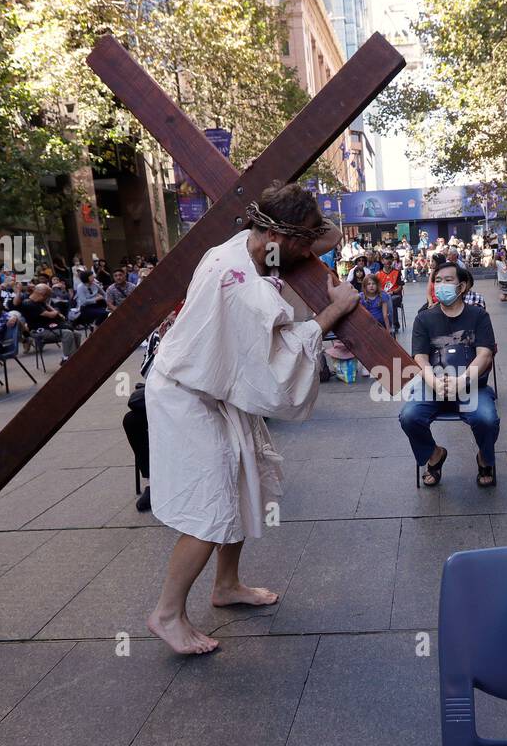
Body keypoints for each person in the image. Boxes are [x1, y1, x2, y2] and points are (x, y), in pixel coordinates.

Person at [145, 181, 352, 654]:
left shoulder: (245, 242)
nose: (306, 255)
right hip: (187, 395)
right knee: (210, 508)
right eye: (300, 246)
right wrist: (334, 311)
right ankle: (167, 614)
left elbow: (329, 237)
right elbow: (278, 358)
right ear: (279, 239)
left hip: (211, 389)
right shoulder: (240, 283)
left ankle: (226, 586)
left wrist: (302, 229)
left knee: (242, 483)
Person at [399, 262, 498, 488]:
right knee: (409, 416)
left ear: (461, 286)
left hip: (471, 386)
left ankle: (484, 458)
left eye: (447, 280)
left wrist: (462, 381)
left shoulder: (479, 316)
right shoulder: (424, 318)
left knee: (487, 419)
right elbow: (420, 357)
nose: (440, 285)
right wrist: (434, 381)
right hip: (433, 386)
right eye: (437, 280)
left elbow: (485, 354)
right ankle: (434, 455)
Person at [19, 284, 80, 362]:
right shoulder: (28, 303)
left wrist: (54, 310)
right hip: (38, 330)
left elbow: (48, 307)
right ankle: (68, 359)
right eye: (47, 296)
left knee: (77, 334)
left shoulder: (39, 301)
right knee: (67, 333)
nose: (47, 298)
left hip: (49, 327)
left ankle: (76, 357)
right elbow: (51, 315)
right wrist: (57, 311)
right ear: (41, 294)